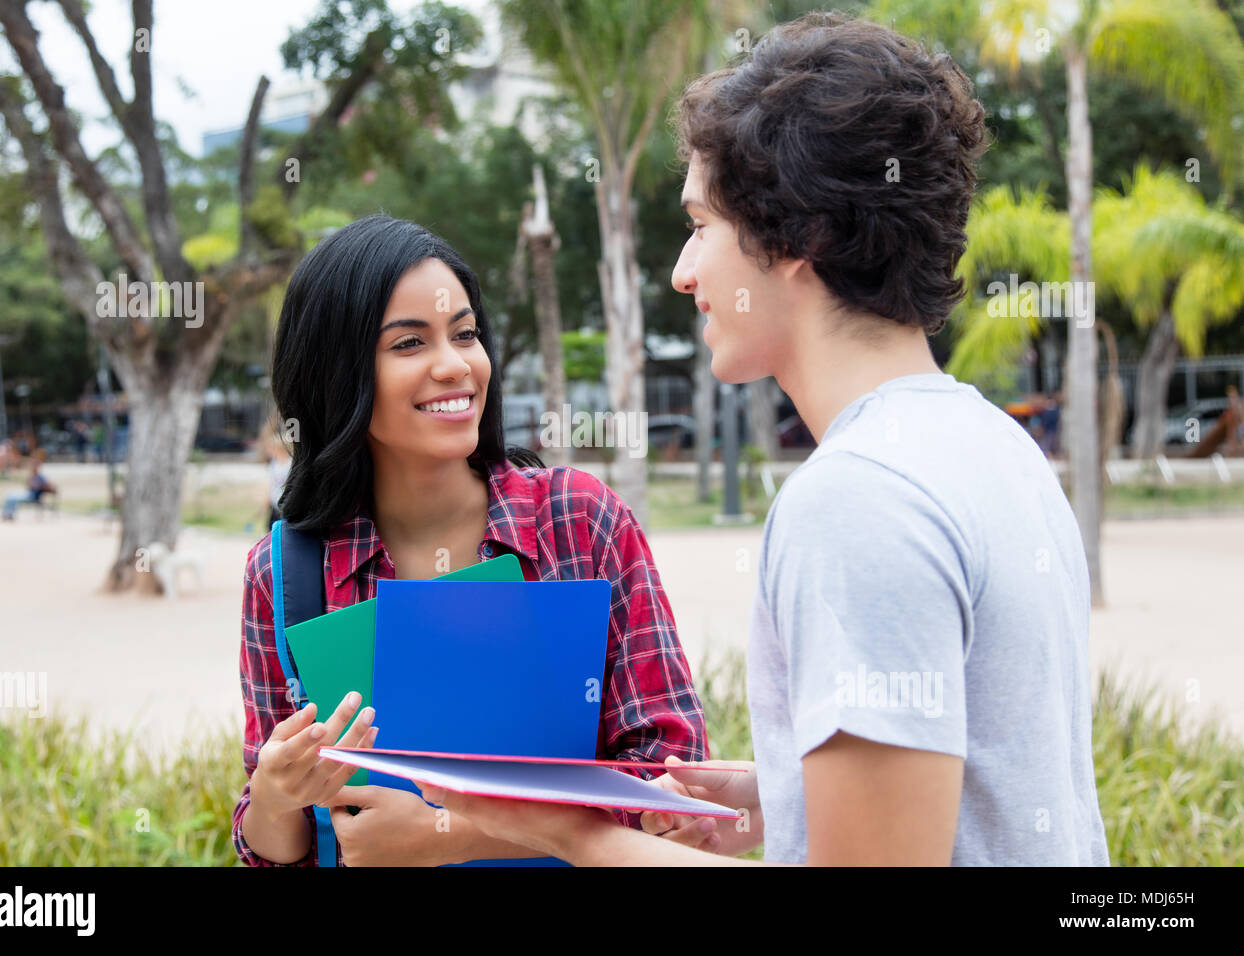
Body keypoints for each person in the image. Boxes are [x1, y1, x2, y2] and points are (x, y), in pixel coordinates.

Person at [420, 12, 1109, 866]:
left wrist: (571, 835)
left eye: (701, 224)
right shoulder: (993, 446)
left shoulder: (859, 500)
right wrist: (782, 795)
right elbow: (986, 788)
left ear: (800, 236)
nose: (683, 271)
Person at [233, 214, 711, 867]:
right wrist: (274, 794)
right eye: (409, 344)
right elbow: (272, 852)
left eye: (465, 334)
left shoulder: (577, 521)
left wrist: (446, 836)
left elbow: (672, 784)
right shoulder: (286, 570)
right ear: (337, 373)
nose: (455, 366)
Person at [0, 450, 56, 521]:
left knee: (12, 497)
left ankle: (8, 515)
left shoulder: (41, 477)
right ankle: (7, 514)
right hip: (29, 493)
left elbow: (47, 485)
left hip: (32, 496)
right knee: (10, 495)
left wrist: (41, 486)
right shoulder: (34, 476)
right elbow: (28, 485)